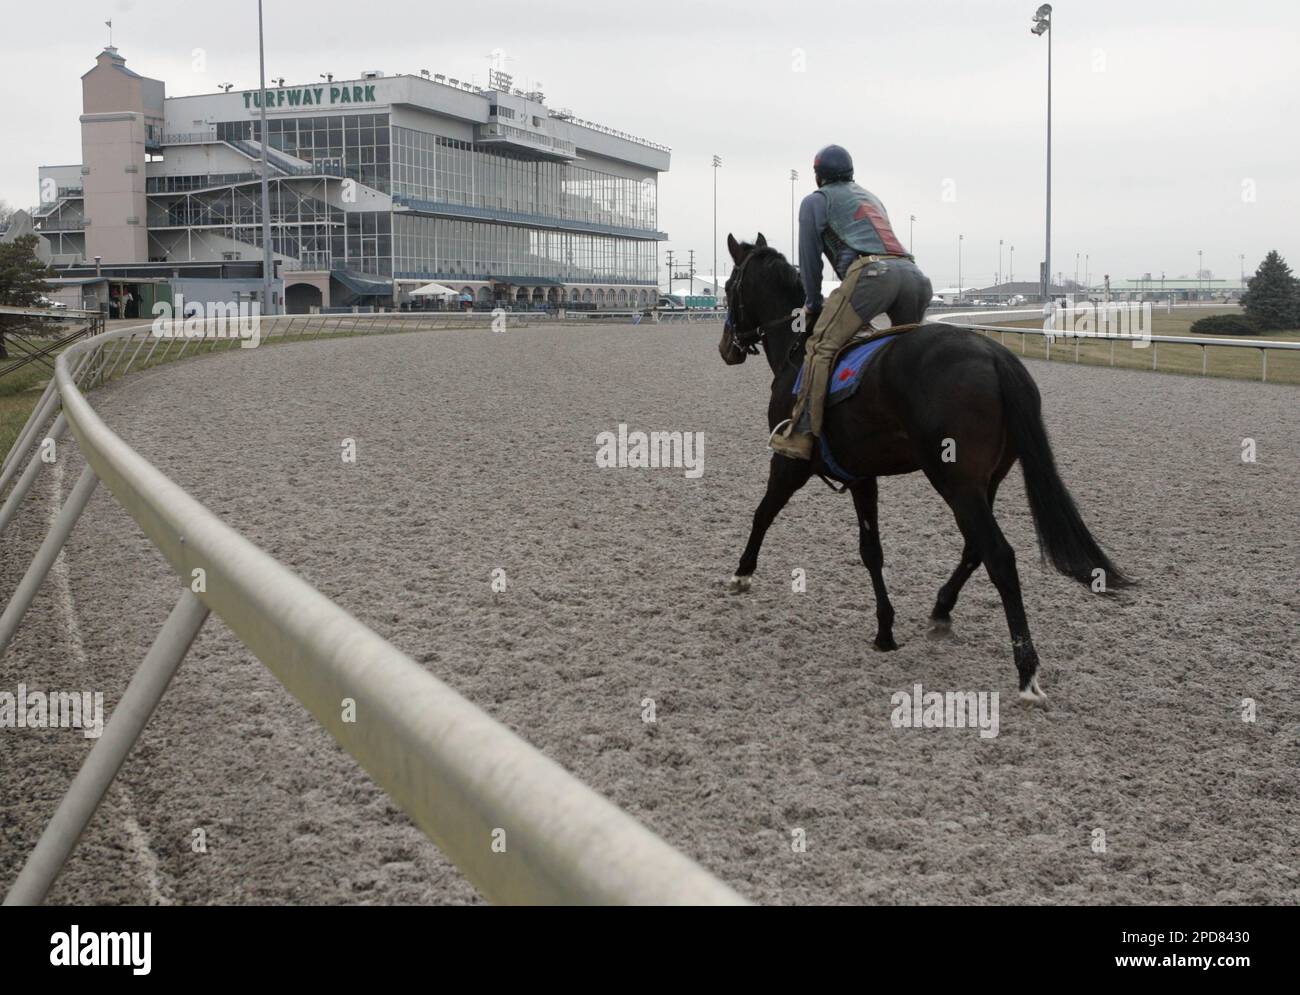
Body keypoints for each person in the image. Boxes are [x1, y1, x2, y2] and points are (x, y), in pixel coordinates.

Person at [771, 145, 933, 460]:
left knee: (820, 347)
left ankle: (801, 434)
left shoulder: (815, 201)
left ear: (818, 175)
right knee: (909, 358)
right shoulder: (871, 197)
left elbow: (810, 260)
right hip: (914, 276)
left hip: (873, 275)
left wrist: (813, 303)